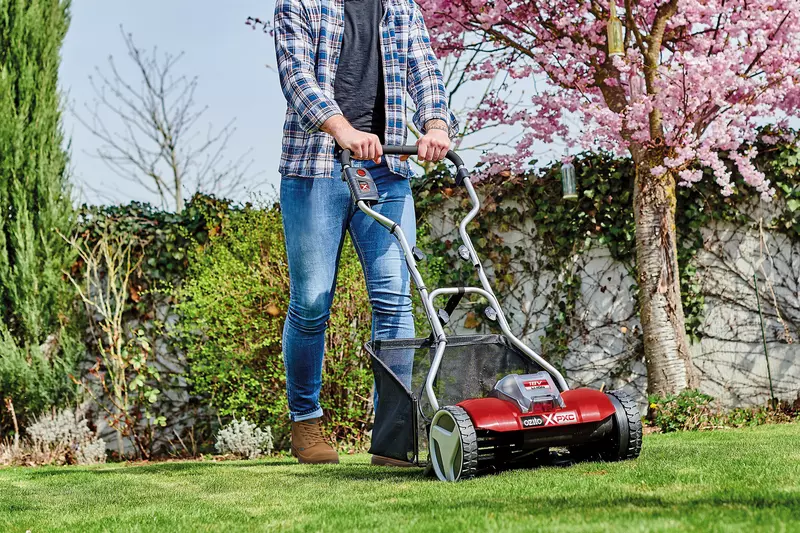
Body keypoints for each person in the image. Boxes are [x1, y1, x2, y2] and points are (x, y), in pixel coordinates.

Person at [273, 0, 457, 464]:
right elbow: (297, 78)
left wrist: (435, 123)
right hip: (316, 168)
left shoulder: (400, 5)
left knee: (395, 299)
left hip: (389, 169)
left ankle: (393, 437)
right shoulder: (299, 3)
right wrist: (342, 130)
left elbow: (426, 70)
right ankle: (305, 422)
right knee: (312, 300)